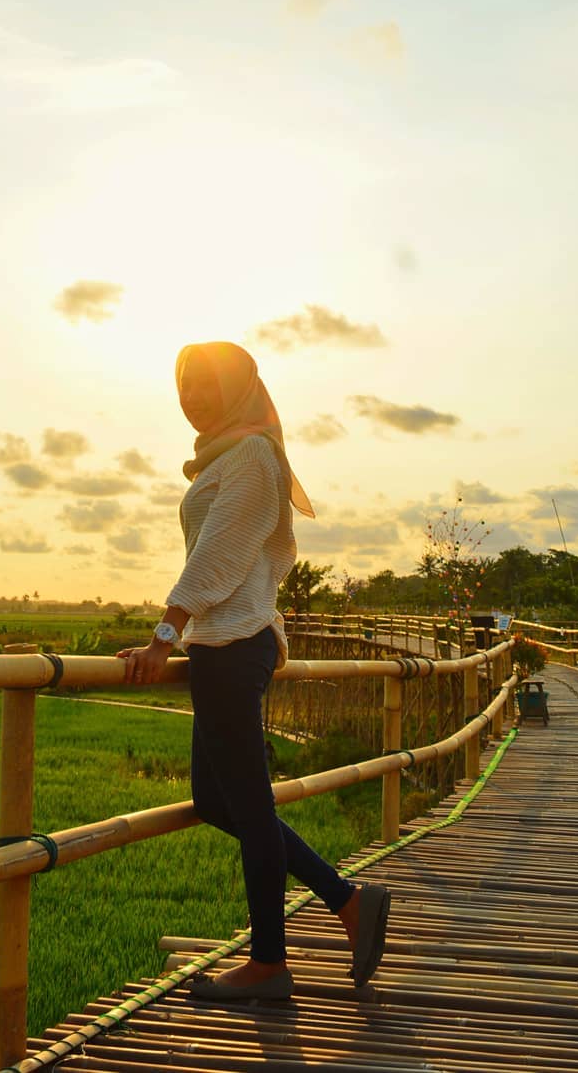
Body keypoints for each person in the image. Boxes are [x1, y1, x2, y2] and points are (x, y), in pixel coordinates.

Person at [117, 341, 390, 1001]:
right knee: (220, 801)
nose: (192, 399)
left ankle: (271, 962)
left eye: (206, 385)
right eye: (183, 388)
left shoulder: (252, 456)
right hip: (219, 646)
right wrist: (181, 640)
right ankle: (349, 902)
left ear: (240, 388)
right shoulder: (224, 455)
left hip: (236, 647)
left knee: (250, 804)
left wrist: (163, 635)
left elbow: (221, 550)